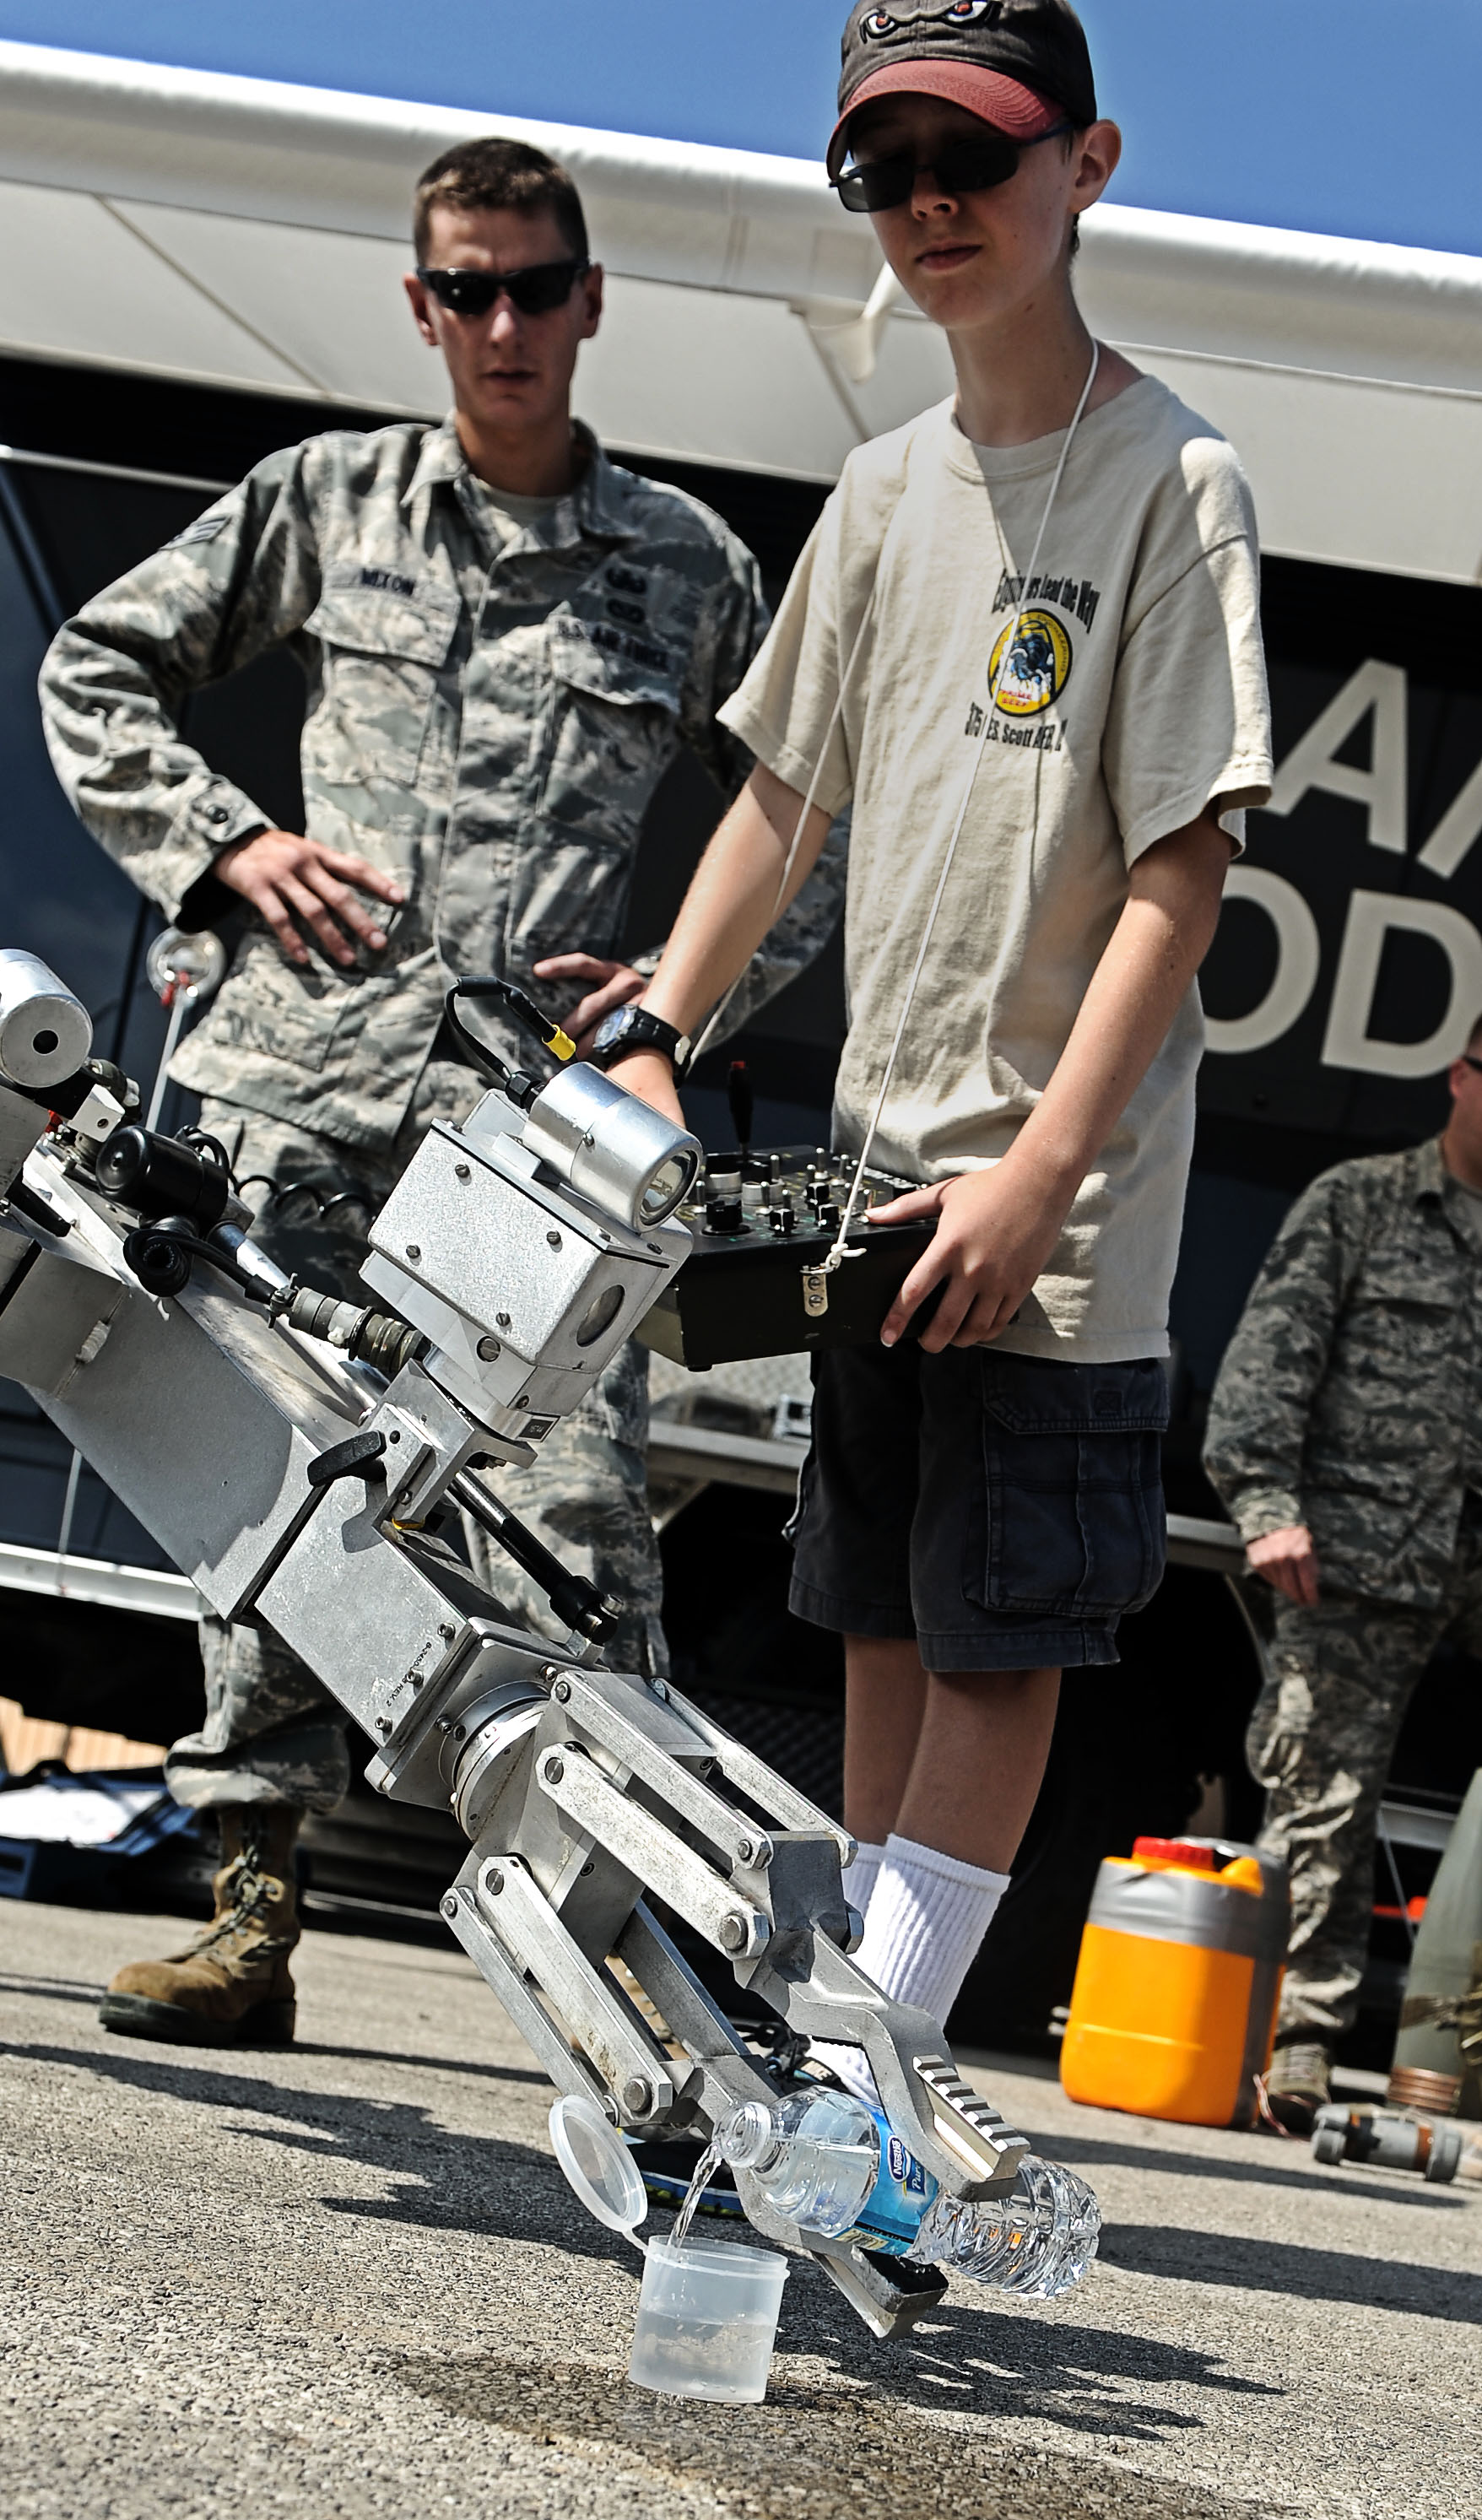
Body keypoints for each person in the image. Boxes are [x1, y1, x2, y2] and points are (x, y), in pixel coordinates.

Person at [38, 136, 841, 2047]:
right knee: (264, 1484)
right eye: (464, 289)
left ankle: (663, 1957)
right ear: (422, 307)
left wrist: (679, 1005)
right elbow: (97, 668)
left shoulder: (686, 565)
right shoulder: (329, 501)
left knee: (577, 1512)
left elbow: (812, 822)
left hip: (526, 1132)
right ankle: (248, 1909)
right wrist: (228, 845)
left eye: (534, 286)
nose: (502, 322)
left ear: (588, 302)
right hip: (293, 1095)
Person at [612, 0, 1271, 2056]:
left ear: (1089, 164)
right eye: (884, 173)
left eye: (972, 160)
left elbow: (1186, 873)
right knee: (878, 1613)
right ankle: (837, 2055)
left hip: (1045, 1215)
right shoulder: (885, 487)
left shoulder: (1180, 480)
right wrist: (648, 1018)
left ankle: (861, 2069)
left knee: (999, 1649)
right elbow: (778, 803)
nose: (928, 207)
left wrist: (1044, 1172)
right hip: (866, 1185)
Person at [1203, 1030, 1482, 2128]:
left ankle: (1458, 2046)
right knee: (1323, 1795)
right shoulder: (1362, 1203)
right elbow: (1269, 1360)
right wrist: (1266, 1505)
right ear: (1462, 1073)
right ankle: (1304, 2037)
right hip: (1360, 1554)